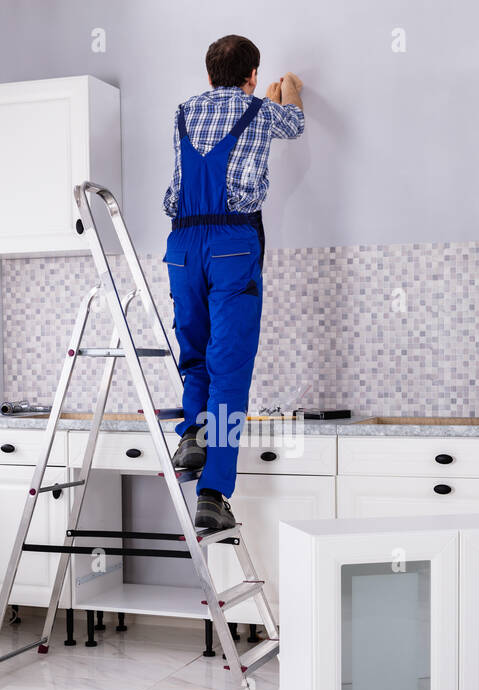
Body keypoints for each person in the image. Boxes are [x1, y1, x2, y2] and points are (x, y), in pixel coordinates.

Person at [162, 34, 304, 530]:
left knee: (195, 352)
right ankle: (214, 493)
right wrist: (291, 89)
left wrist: (253, 99)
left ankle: (191, 436)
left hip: (181, 246)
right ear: (251, 76)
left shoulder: (183, 112)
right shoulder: (260, 111)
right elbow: (295, 122)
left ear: (207, 75)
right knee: (230, 372)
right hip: (230, 245)